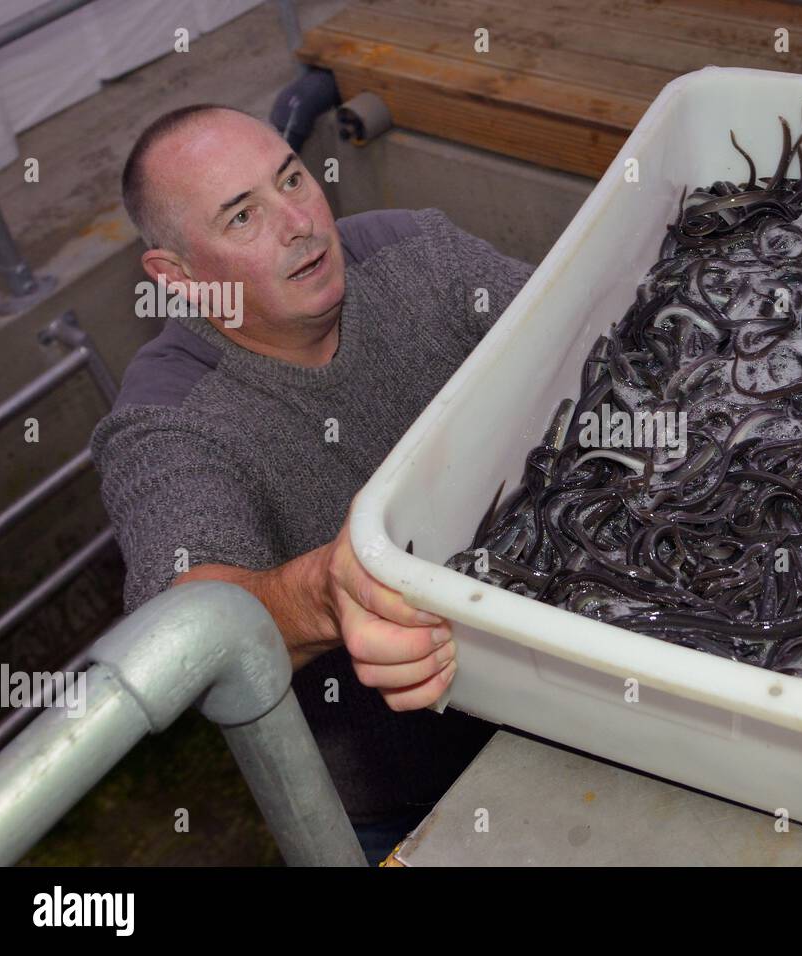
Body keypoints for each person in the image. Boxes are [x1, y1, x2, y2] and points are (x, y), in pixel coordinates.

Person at [90, 103, 535, 865]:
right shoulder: (168, 421)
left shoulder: (413, 247)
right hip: (406, 800)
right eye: (242, 217)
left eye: (292, 179)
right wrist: (326, 591)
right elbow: (185, 626)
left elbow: (574, 334)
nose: (298, 222)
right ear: (179, 276)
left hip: (558, 697)